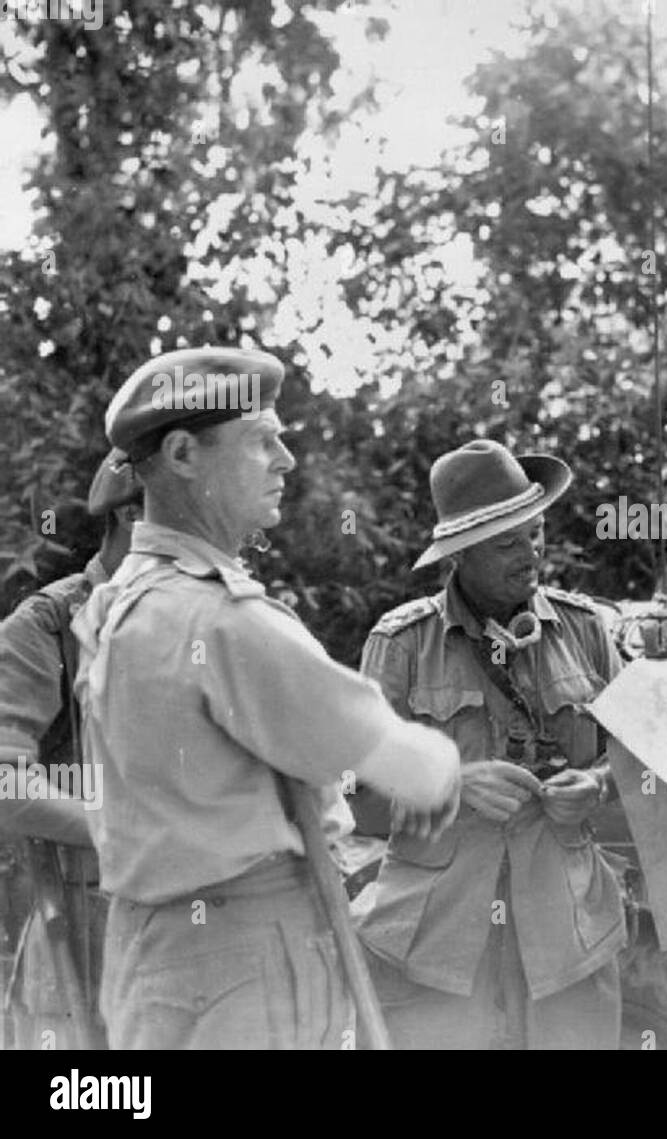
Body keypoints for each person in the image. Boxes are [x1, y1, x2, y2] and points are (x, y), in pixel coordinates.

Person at [71, 347, 461, 1049]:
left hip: (150, 947)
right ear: (185, 453)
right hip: (249, 953)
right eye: (262, 440)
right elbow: (413, 767)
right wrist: (443, 770)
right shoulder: (223, 619)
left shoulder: (114, 602)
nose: (285, 459)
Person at [353, 439, 627, 1049]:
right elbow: (359, 803)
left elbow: (640, 762)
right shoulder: (401, 646)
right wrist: (451, 785)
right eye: (507, 543)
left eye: (536, 534)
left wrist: (597, 786)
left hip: (567, 943)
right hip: (438, 950)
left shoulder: (586, 632)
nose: (530, 554)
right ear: (460, 555)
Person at [0, 451, 141, 1049]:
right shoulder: (49, 627)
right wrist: (129, 829)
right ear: (135, 517)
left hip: (209, 933)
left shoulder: (216, 628)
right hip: (85, 927)